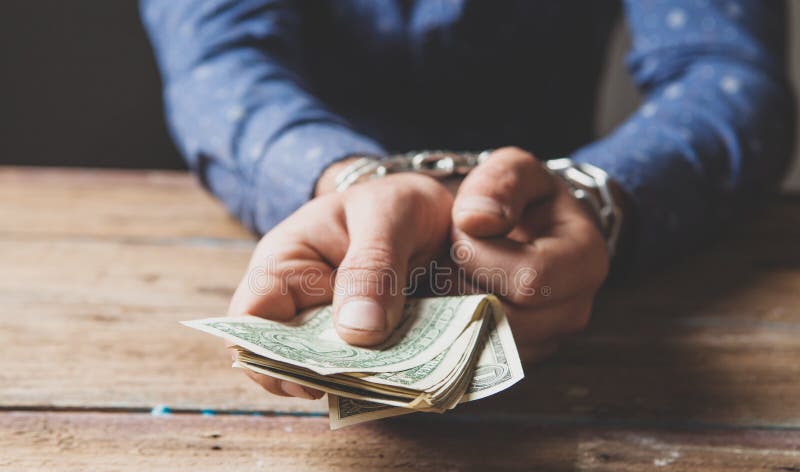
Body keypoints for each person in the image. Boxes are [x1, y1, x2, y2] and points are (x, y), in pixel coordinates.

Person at [142, 1, 796, 400]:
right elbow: (217, 60)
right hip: (322, 239)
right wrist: (339, 178)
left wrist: (593, 195)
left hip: (536, 238)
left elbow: (726, 72)